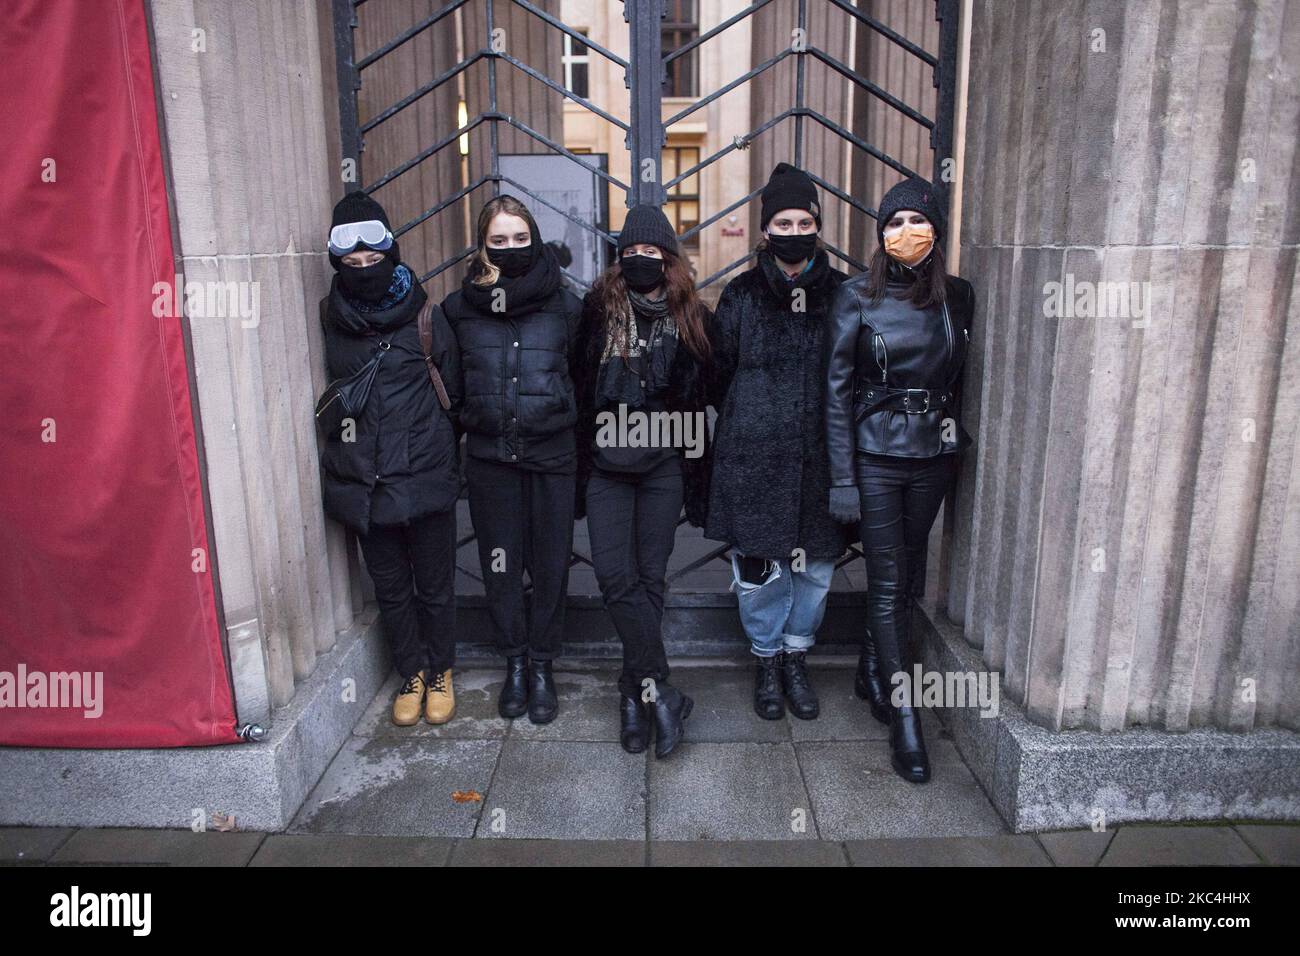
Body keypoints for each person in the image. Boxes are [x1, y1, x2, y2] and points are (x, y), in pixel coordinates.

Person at [823, 176, 975, 783]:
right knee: (888, 583)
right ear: (879, 235)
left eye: (916, 221)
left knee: (909, 572)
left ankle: (871, 669)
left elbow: (962, 380)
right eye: (892, 223)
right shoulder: (855, 296)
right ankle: (905, 713)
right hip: (876, 456)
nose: (904, 233)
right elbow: (834, 391)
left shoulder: (959, 297)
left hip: (933, 455)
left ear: (935, 230)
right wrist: (842, 477)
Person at [706, 163, 851, 722]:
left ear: (818, 224)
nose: (794, 230)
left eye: (804, 220)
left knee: (815, 570)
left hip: (820, 462)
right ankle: (765, 658)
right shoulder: (741, 295)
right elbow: (719, 374)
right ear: (766, 231)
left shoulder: (844, 294)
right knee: (760, 571)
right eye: (782, 222)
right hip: (753, 460)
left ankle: (797, 656)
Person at [571, 205, 713, 758]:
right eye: (629, 253)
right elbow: (578, 386)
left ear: (669, 260)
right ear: (617, 259)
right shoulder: (595, 313)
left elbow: (707, 388)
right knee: (615, 578)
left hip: (661, 469)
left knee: (650, 579)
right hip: (606, 467)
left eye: (651, 252)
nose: (639, 260)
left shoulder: (691, 317)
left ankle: (637, 694)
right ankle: (665, 692)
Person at [317, 190, 462, 727]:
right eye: (351, 265)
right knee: (392, 588)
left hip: (423, 472)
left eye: (373, 261)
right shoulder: (330, 317)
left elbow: (455, 389)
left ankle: (442, 669)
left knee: (434, 584)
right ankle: (412, 672)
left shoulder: (425, 316)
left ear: (391, 256)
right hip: (363, 478)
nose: (363, 271)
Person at [441, 194, 583, 725]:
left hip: (553, 457)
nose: (510, 248)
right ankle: (515, 662)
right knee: (499, 566)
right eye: (498, 241)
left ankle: (543, 663)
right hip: (490, 460)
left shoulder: (568, 308)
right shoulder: (457, 311)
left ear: (536, 239)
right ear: (483, 245)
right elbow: (452, 392)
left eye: (520, 239)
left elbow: (584, 386)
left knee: (550, 565)